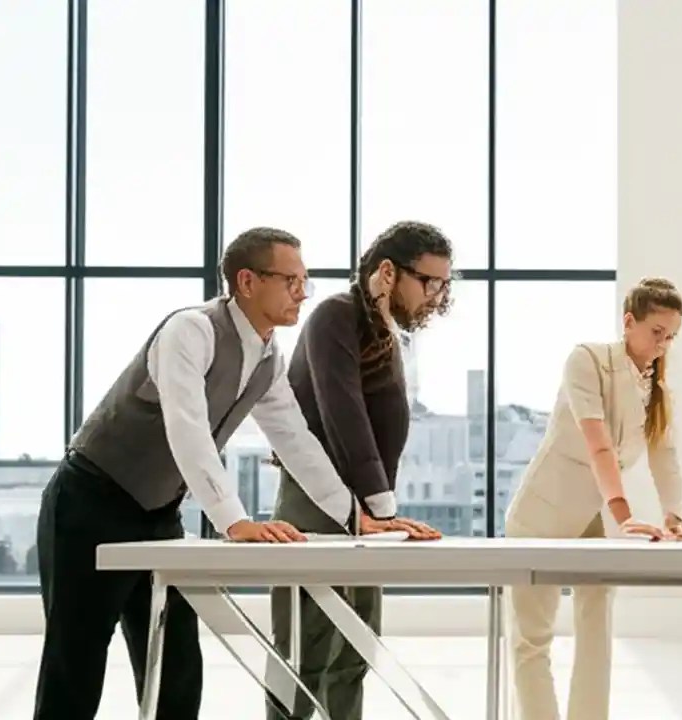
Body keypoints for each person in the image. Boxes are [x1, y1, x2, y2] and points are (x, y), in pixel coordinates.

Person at [33, 227, 386, 720]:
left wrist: (353, 515)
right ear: (247, 280)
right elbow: (187, 427)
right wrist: (234, 521)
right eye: (290, 280)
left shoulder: (267, 356)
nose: (302, 292)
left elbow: (295, 438)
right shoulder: (191, 330)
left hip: (157, 514)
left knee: (177, 667)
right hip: (89, 502)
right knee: (76, 663)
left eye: (305, 280)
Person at [266, 221, 452, 720]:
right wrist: (382, 505)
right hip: (316, 497)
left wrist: (380, 507)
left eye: (443, 285)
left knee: (356, 641)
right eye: (428, 282)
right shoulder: (336, 316)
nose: (436, 296)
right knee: (305, 644)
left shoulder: (386, 332)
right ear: (388, 272)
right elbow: (340, 413)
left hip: (368, 503)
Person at [505, 277, 682, 720]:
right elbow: (598, 444)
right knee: (533, 637)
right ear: (629, 322)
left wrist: (674, 517)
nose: (664, 344)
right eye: (657, 332)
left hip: (593, 516)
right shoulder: (586, 359)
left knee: (597, 624)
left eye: (672, 336)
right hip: (543, 513)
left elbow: (665, 456)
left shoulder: (657, 389)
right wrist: (624, 516)